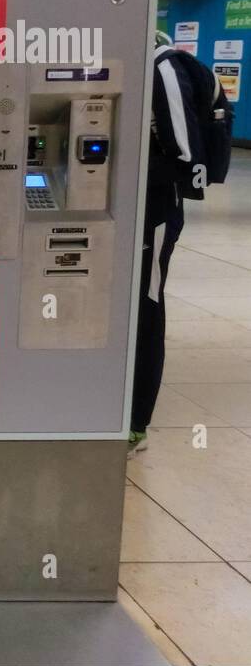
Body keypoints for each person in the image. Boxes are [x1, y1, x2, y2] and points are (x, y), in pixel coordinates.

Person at [129, 31, 211, 455]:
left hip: (153, 213)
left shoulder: (161, 65)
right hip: (124, 210)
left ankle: (136, 421)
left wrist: (118, 171)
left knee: (146, 307)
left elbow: (185, 157)